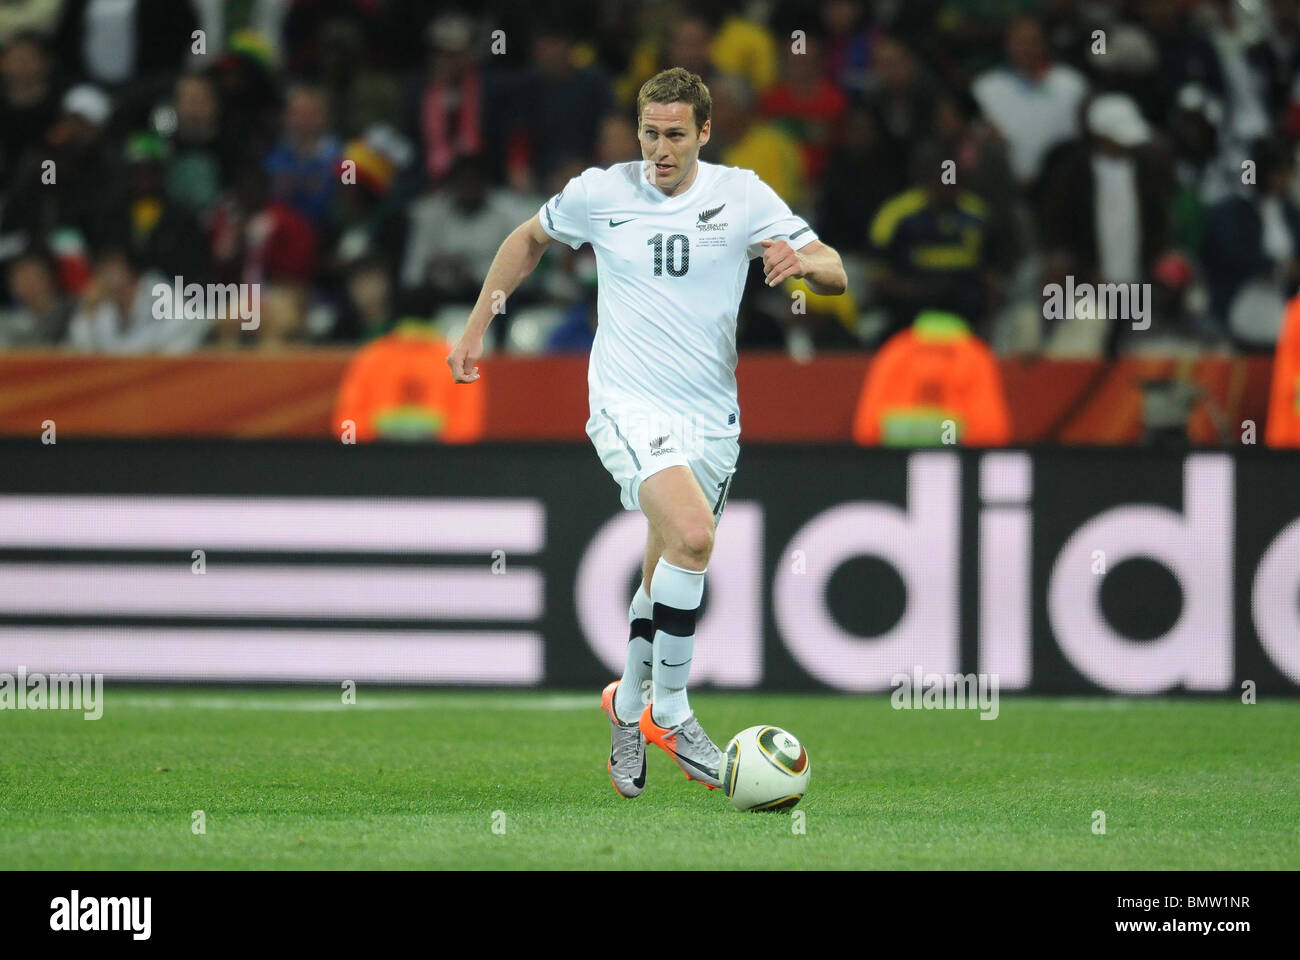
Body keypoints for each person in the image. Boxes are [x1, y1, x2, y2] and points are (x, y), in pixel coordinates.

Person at [446, 67, 846, 796]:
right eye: (650, 134)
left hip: (712, 415)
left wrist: (801, 262)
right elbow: (527, 240)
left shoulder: (742, 195)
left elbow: (836, 272)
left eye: (675, 136)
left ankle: (627, 707)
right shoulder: (601, 193)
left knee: (667, 566)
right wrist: (477, 326)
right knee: (693, 536)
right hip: (628, 403)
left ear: (704, 133)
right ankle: (673, 711)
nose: (661, 150)